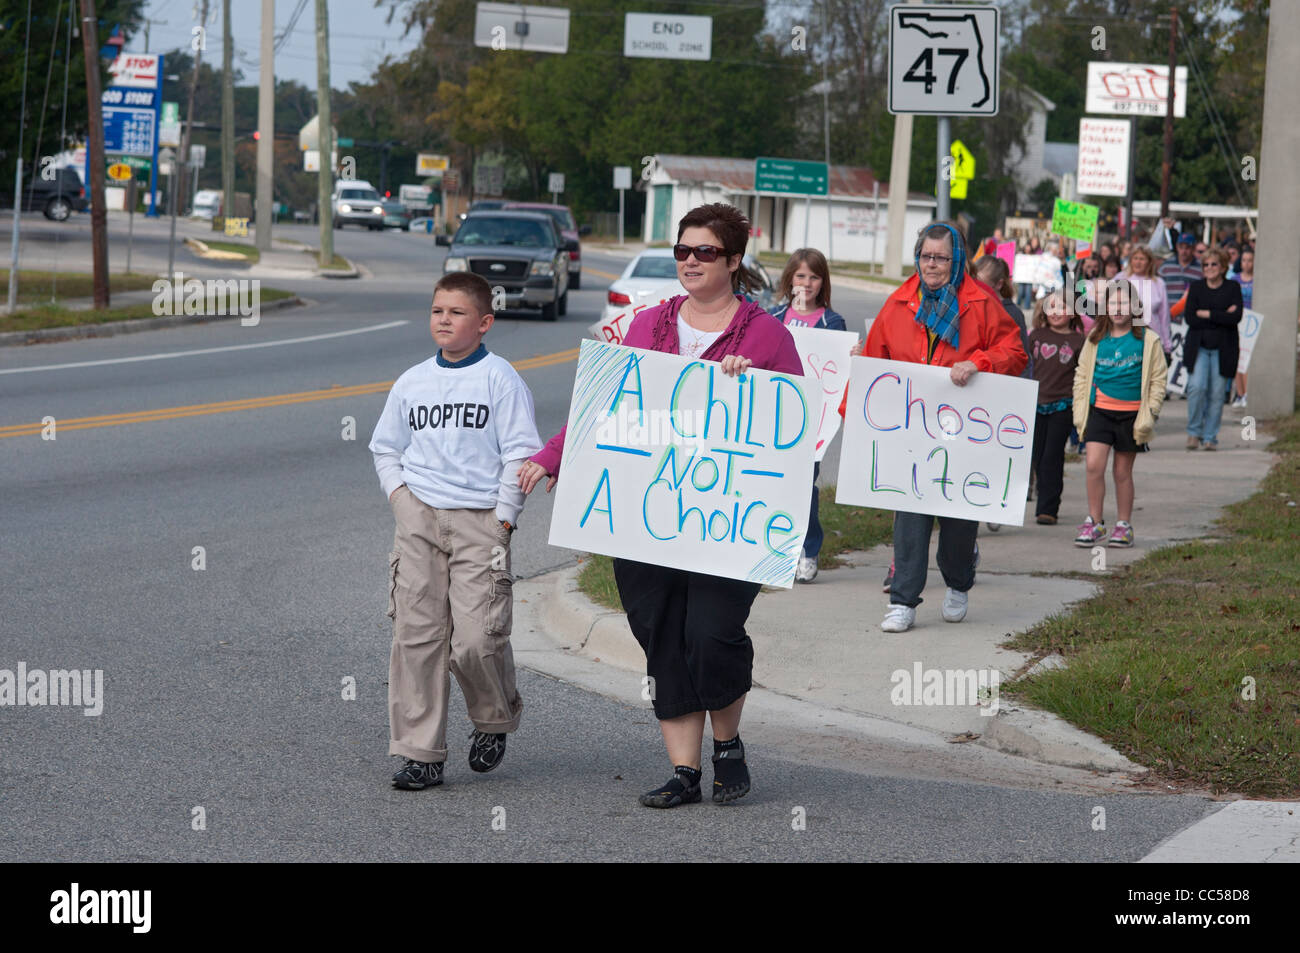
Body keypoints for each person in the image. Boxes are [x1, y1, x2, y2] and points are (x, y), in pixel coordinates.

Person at [520, 203, 802, 808]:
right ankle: (685, 772)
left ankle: (727, 744)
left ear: (732, 261)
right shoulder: (647, 326)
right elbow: (602, 404)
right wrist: (552, 456)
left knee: (712, 631)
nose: (691, 262)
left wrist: (751, 386)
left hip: (728, 521)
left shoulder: (766, 336)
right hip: (646, 520)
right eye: (682, 251)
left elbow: (796, 428)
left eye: (705, 252)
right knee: (660, 635)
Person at [369, 271, 543, 790]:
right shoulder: (412, 381)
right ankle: (420, 752)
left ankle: (492, 718)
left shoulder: (500, 379)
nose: (444, 319)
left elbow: (520, 453)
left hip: (480, 522)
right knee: (417, 636)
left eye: (457, 312)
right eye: (437, 310)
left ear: (484, 323)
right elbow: (385, 446)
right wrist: (401, 500)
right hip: (419, 517)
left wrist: (506, 518)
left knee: (474, 639)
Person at [843, 222, 1027, 633]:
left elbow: (1014, 351)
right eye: (926, 256)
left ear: (957, 259)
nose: (932, 264)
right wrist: (853, 410)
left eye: (942, 257)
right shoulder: (900, 302)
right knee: (910, 517)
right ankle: (903, 600)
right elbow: (877, 359)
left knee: (958, 527)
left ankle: (959, 581)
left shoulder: (980, 302)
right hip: (913, 432)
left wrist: (978, 363)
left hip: (965, 433)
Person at [768, 248, 847, 583]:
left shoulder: (833, 322)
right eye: (801, 276)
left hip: (815, 420)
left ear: (822, 282)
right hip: (775, 414)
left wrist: (850, 354)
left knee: (804, 486)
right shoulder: (773, 317)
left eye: (814, 276)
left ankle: (808, 549)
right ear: (789, 279)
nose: (807, 283)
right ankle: (776, 546)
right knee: (772, 482)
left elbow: (839, 370)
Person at [1072, 280, 1167, 548]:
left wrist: (1152, 410)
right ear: (1104, 307)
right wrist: (1080, 409)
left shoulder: (1148, 340)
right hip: (1099, 411)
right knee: (1093, 465)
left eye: (1124, 303)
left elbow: (1158, 378)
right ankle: (1095, 522)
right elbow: (1081, 375)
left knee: (1122, 471)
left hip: (1132, 417)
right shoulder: (1095, 339)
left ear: (1136, 307)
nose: (1118, 308)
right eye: (1113, 303)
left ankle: (1123, 525)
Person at [1029, 291, 1086, 525]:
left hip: (1063, 405)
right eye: (1051, 307)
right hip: (1034, 403)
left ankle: (1048, 508)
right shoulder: (1035, 336)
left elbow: (1084, 375)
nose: (1056, 312)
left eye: (1062, 307)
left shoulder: (1080, 341)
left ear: (1072, 312)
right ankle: (1033, 493)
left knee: (1052, 456)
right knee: (1036, 455)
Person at [1183, 247, 1243, 450]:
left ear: (1223, 266)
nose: (1209, 268)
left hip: (1223, 348)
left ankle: (1210, 437)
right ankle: (1193, 432)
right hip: (1199, 347)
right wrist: (1221, 315)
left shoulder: (1232, 287)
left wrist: (1207, 314)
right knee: (1196, 388)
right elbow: (1190, 317)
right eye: (1205, 264)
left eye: (1214, 264)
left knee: (1217, 393)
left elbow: (1236, 317)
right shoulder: (1197, 287)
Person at [1120, 245, 1172, 357]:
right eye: (1135, 258)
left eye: (1142, 259)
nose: (1138, 262)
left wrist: (1167, 345)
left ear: (1149, 262)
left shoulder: (1159, 283)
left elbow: (1164, 316)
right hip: (1125, 341)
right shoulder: (1121, 279)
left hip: (1152, 340)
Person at [1229, 246, 1254, 406]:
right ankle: (1240, 394)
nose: (1247, 264)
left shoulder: (1258, 279)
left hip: (1252, 325)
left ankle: (1248, 393)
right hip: (1238, 322)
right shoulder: (1234, 279)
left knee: (1248, 360)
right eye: (1244, 260)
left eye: (1250, 260)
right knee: (1238, 359)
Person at [1158, 233, 1203, 302]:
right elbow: (1158, 289)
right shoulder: (1166, 266)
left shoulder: (1201, 268)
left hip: (1190, 311)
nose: (1183, 251)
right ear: (1176, 247)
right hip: (1168, 310)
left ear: (1193, 248)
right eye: (1181, 247)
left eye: (1187, 247)